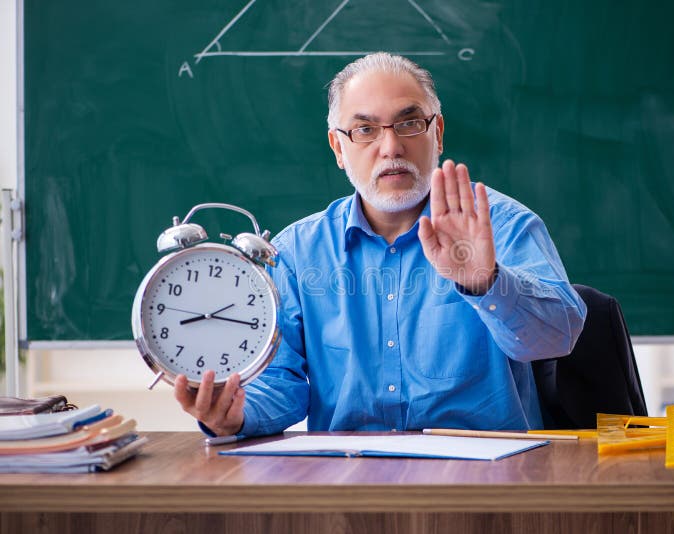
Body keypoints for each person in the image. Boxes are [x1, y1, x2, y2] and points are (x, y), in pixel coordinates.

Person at [174, 52, 586, 436]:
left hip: (484, 474)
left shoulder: (500, 226)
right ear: (338, 147)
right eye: (365, 130)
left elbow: (557, 338)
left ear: (438, 133)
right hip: (349, 477)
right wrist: (236, 415)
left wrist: (485, 282)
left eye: (409, 123)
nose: (391, 148)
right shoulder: (296, 252)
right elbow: (279, 382)